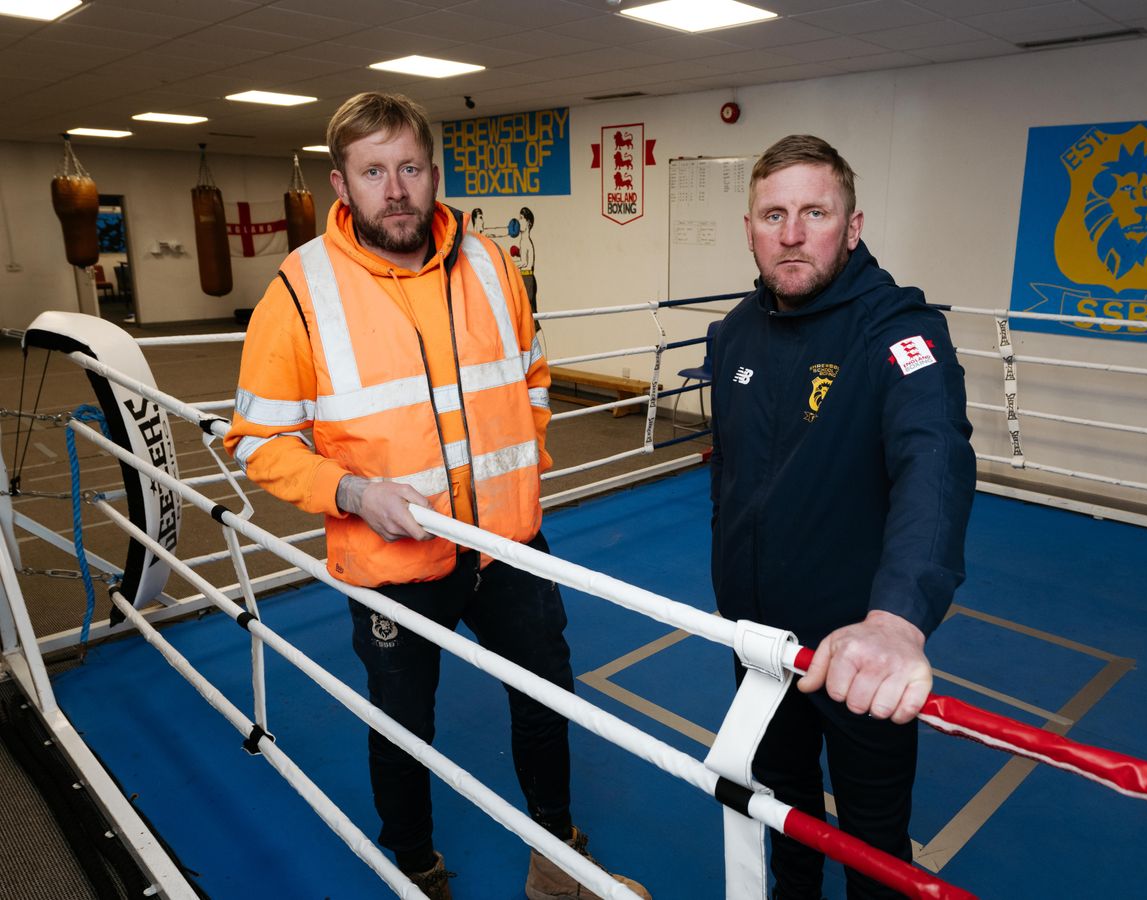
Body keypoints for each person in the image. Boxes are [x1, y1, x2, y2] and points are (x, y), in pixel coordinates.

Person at [224, 92, 649, 900]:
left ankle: (556, 858)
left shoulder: (490, 262)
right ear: (341, 184)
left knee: (545, 696)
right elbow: (260, 441)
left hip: (508, 543)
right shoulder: (300, 291)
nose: (396, 189)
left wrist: (522, 468)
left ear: (433, 171)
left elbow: (530, 370)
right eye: (374, 171)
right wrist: (347, 490)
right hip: (392, 562)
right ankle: (415, 864)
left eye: (410, 168)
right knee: (402, 723)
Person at [709, 135, 975, 900]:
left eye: (814, 212)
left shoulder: (899, 332)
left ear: (851, 227)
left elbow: (936, 463)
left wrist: (896, 619)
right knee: (781, 811)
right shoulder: (736, 333)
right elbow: (730, 476)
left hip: (860, 654)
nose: (791, 234)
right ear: (752, 228)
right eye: (774, 214)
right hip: (759, 647)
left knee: (873, 843)